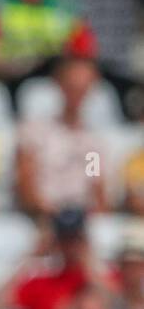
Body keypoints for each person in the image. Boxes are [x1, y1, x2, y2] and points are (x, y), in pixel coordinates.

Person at [14, 52, 109, 217]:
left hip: (79, 223)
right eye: (72, 86)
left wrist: (88, 218)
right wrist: (50, 213)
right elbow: (26, 186)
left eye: (83, 88)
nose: (77, 94)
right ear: (59, 84)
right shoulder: (34, 132)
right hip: (43, 220)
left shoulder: (91, 142)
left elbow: (95, 187)